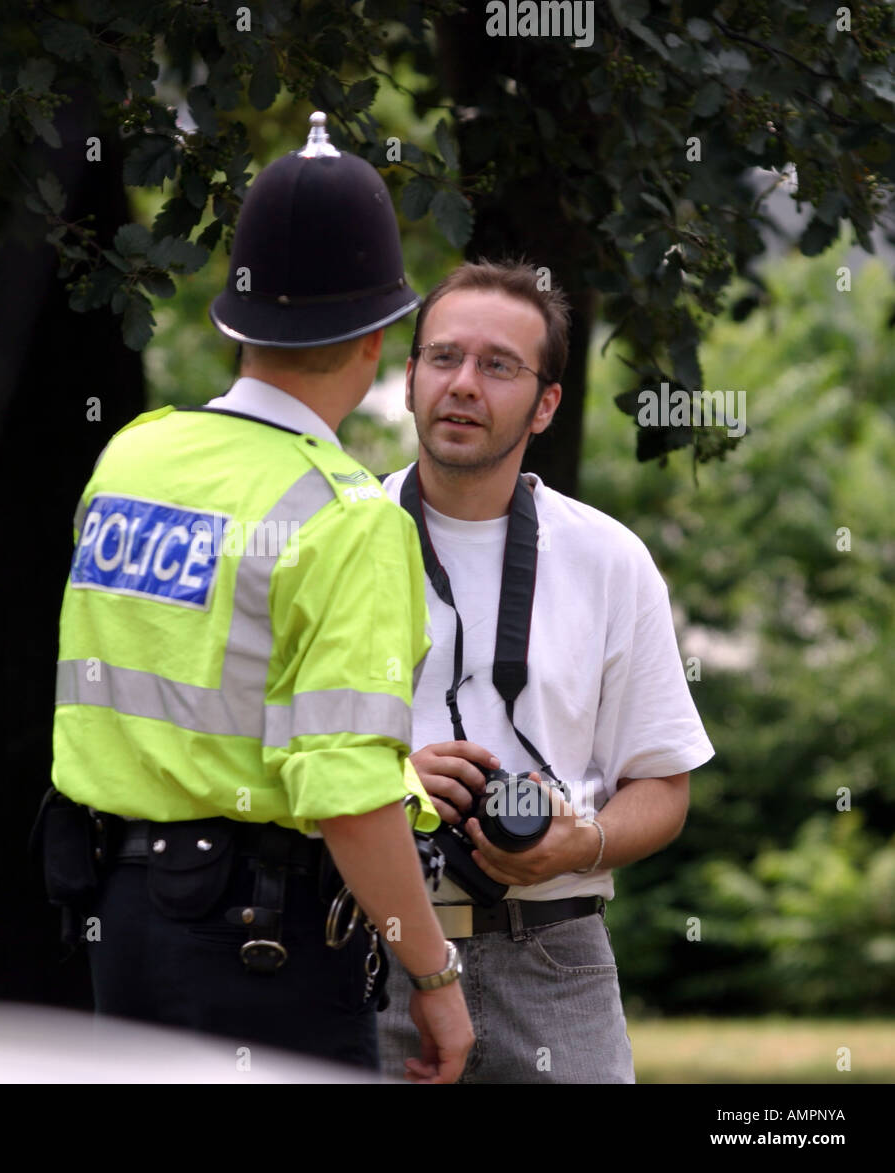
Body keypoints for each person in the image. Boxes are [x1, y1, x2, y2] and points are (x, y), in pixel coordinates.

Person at [46, 114, 473, 1081]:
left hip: (122, 921)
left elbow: (200, 699)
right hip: (265, 949)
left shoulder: (133, 457)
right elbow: (344, 795)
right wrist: (435, 975)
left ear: (235, 322)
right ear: (379, 336)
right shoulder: (350, 515)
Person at [376, 260, 715, 1082]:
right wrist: (394, 785)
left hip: (557, 955)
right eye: (444, 357)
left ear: (547, 403)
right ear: (411, 372)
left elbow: (663, 786)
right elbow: (274, 759)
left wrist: (578, 841)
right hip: (374, 947)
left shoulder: (609, 558)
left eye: (499, 366)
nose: (463, 384)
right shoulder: (335, 541)